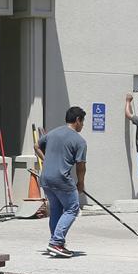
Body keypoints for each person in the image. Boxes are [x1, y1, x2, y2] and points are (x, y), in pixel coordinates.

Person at [39, 107, 88, 258]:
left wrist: (46, 160)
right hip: (62, 179)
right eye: (82, 122)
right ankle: (57, 242)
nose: (82, 125)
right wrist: (81, 183)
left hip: (46, 178)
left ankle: (55, 242)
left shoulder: (52, 133)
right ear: (78, 120)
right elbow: (81, 165)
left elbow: (37, 146)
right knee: (72, 209)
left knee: (56, 210)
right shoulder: (79, 141)